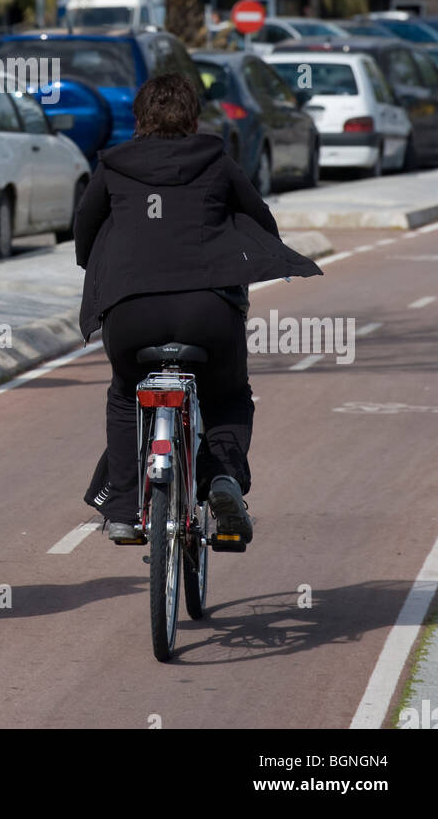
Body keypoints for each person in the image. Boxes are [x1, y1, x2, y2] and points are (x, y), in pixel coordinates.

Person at [74, 73, 321, 545]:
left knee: (127, 395)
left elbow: (85, 234)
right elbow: (261, 220)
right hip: (206, 312)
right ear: (193, 118)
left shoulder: (112, 166)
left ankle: (124, 511)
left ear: (138, 118)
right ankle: (223, 477)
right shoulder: (216, 161)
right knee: (227, 395)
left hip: (131, 313)